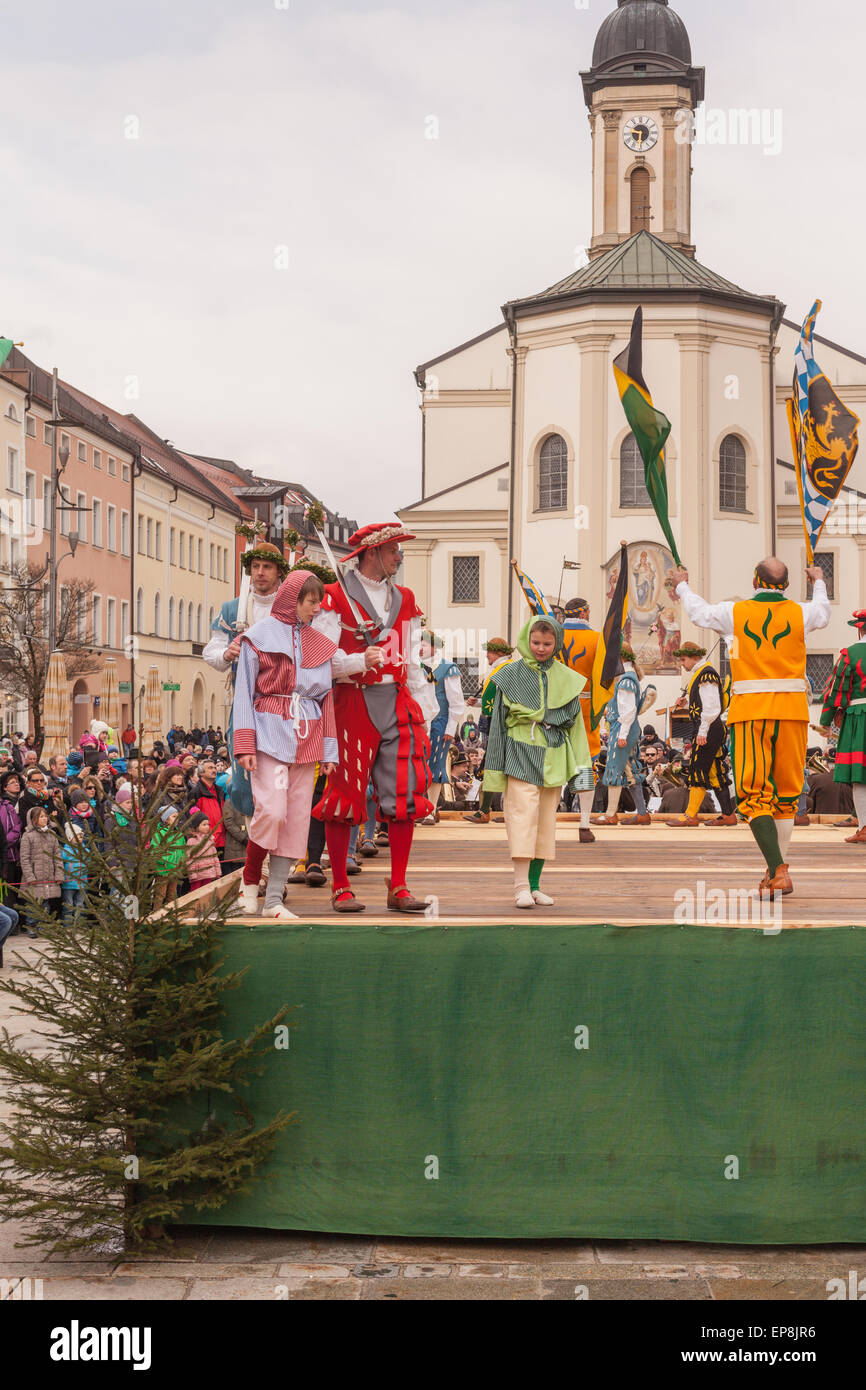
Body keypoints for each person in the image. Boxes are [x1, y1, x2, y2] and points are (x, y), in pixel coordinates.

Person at [669, 557, 830, 897]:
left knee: (753, 793)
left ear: (755, 581)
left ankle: (778, 870)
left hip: (751, 711)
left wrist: (682, 583)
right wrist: (818, 580)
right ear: (785, 584)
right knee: (786, 794)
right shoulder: (801, 613)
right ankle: (776, 872)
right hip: (793, 711)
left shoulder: (735, 612)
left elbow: (698, 612)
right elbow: (823, 611)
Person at [312, 524, 438, 914]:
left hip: (396, 700)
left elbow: (413, 659)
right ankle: (341, 885)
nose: (399, 557)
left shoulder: (406, 598)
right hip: (352, 700)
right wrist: (355, 661)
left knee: (405, 791)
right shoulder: (334, 597)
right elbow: (318, 661)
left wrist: (423, 709)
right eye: (393, 551)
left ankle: (398, 885)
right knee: (345, 795)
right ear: (373, 552)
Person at [234, 569, 338, 919]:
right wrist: (245, 744)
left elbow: (326, 700)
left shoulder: (318, 644)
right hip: (268, 734)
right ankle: (250, 880)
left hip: (306, 739)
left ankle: (275, 900)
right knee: (271, 811)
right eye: (311, 601)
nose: (317, 608)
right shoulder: (257, 637)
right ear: (293, 600)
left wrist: (329, 750)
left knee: (295, 822)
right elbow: (243, 695)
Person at [482, 615, 590, 909]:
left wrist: (582, 776)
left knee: (544, 821)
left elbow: (577, 730)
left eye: (547, 643)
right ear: (526, 640)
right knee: (521, 818)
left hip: (553, 755)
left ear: (556, 644)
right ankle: (519, 887)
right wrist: (493, 774)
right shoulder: (508, 676)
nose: (541, 648)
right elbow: (498, 728)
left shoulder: (567, 679)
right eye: (535, 642)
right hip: (519, 752)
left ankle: (534, 885)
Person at [204, 540, 290, 815]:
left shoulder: (291, 608)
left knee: (280, 776)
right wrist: (227, 653)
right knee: (243, 777)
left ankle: (282, 849)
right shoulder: (233, 609)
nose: (260, 572)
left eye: (267, 566)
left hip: (281, 704)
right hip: (245, 704)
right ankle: (256, 847)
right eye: (255, 566)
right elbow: (212, 649)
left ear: (279, 572)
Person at [665, 641, 737, 828]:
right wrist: (686, 705)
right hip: (710, 728)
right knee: (715, 772)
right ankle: (728, 814)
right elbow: (703, 704)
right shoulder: (701, 673)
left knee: (697, 769)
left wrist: (703, 731)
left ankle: (690, 815)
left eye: (683, 659)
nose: (682, 664)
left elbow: (713, 707)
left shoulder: (706, 674)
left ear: (693, 657)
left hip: (709, 728)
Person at [820, 607, 866, 844]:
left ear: (860, 630)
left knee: (860, 777)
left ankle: (864, 827)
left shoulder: (850, 654)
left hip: (859, 718)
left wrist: (826, 722)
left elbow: (835, 692)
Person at [595, 645, 656, 826]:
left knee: (614, 768)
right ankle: (643, 814)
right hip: (626, 729)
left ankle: (610, 815)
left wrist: (622, 735)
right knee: (630, 771)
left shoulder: (626, 681)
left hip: (622, 730)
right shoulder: (629, 678)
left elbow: (628, 711)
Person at [463, 638, 515, 825]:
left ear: (499, 652)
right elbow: (492, 702)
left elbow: (506, 701)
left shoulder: (507, 669)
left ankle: (488, 811)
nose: (486, 655)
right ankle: (486, 810)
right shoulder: (498, 670)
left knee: (498, 768)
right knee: (494, 768)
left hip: (503, 726)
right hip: (495, 724)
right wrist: (476, 703)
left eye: (490, 652)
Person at [419, 631, 465, 824]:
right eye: (417, 644)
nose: (420, 648)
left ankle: (430, 809)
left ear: (434, 647)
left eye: (424, 644)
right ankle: (421, 809)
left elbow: (456, 701)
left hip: (439, 723)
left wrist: (450, 728)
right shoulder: (415, 667)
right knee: (418, 767)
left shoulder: (447, 668)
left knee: (435, 766)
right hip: (418, 724)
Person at [19, 806, 63, 933]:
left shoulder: (52, 834)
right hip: (34, 877)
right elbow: (24, 859)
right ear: (33, 820)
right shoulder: (28, 836)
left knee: (45, 904)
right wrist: (30, 877)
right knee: (33, 903)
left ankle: (43, 926)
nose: (44, 819)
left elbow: (57, 856)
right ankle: (32, 926)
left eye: (45, 816)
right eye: (41, 817)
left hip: (48, 875)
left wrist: (59, 874)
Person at [60, 822, 88, 924]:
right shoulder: (65, 851)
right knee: (69, 905)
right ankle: (67, 924)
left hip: (82, 882)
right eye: (76, 837)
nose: (79, 839)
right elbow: (61, 864)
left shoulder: (85, 850)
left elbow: (89, 861)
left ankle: (80, 924)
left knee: (80, 905)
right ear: (69, 837)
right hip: (68, 884)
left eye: (81, 837)